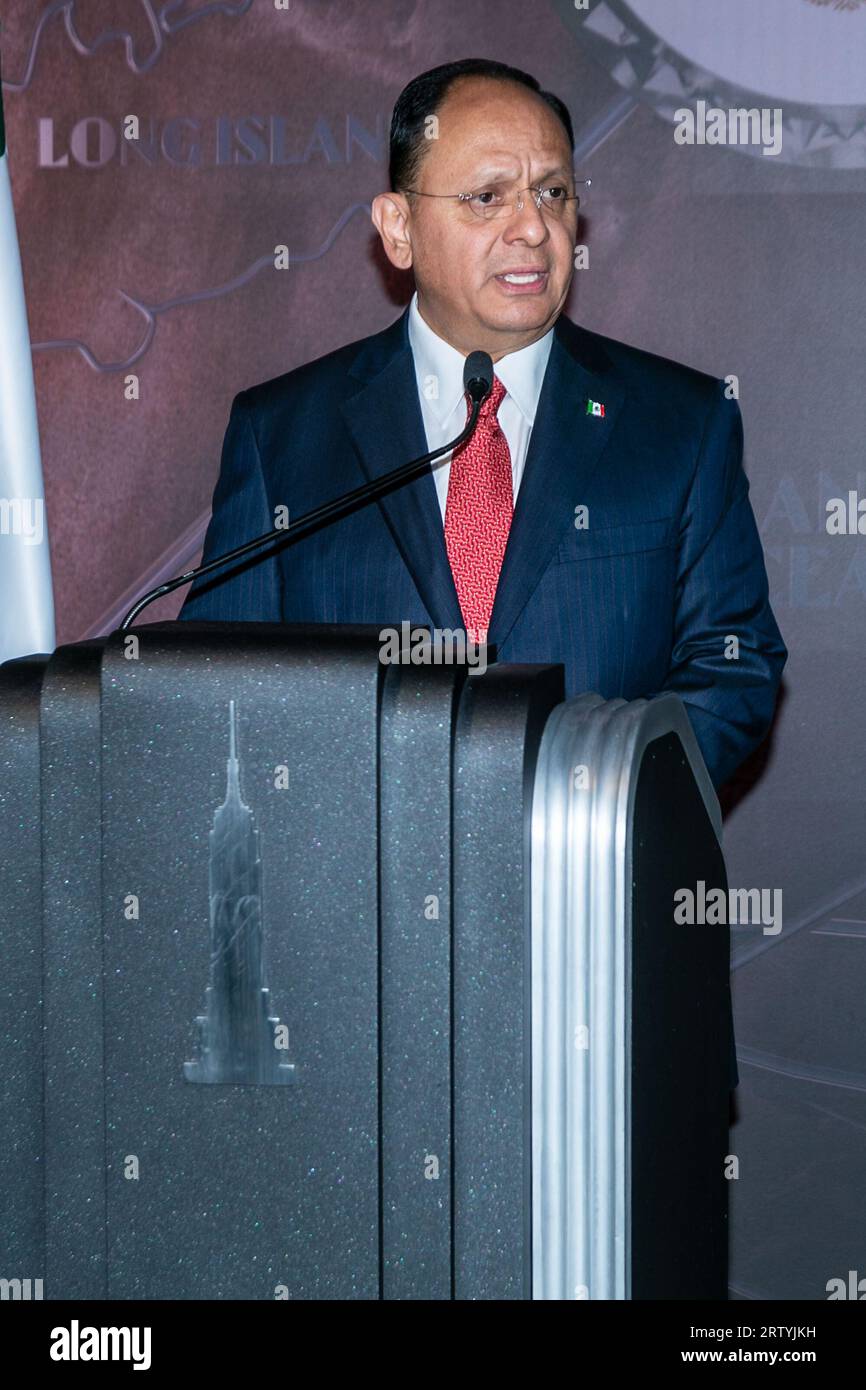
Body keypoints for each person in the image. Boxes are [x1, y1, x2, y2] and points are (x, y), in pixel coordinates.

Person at [180, 56, 787, 798]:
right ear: (398, 229)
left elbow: (733, 666)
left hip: (588, 886)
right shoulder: (281, 436)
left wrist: (580, 810)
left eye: (552, 193)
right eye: (487, 198)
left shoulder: (683, 424)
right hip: (357, 897)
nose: (532, 228)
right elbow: (213, 695)